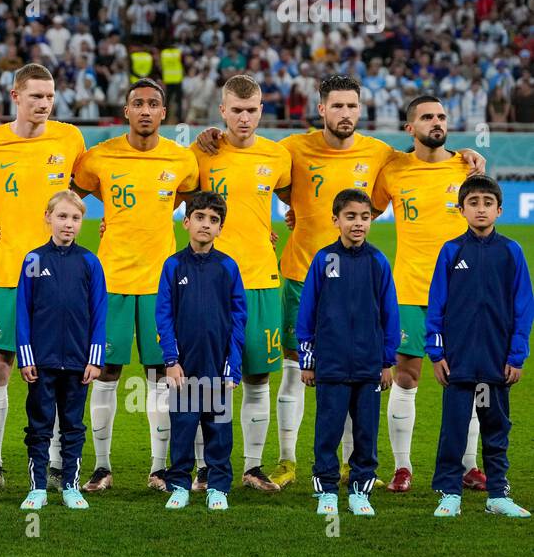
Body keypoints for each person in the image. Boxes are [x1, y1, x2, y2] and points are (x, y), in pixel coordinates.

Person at [197, 74, 483, 488]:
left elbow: (414, 170)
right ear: (322, 109)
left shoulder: (381, 155)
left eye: (352, 106)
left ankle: (351, 463)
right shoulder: (291, 149)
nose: (345, 113)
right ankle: (287, 461)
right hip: (300, 276)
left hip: (356, 282)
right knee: (296, 371)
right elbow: (262, 183)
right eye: (338, 106)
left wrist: (468, 153)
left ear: (359, 110)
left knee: (355, 374)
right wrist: (214, 136)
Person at [0, 63, 87, 493]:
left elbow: (81, 187)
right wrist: (6, 219)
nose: (45, 103)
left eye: (50, 96)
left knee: (55, 368)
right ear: (16, 96)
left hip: (59, 277)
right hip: (10, 271)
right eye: (36, 96)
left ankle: (54, 463)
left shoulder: (69, 138)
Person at [72, 78, 199, 492]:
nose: (146, 110)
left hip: (162, 285)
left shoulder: (182, 160)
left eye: (154, 104)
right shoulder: (100, 157)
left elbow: (193, 204)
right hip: (111, 281)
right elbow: (67, 199)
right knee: (105, 373)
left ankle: (159, 468)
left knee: (160, 375)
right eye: (137, 104)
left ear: (164, 113)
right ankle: (102, 466)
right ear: (125, 111)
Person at [371, 95, 481, 494]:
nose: (436, 122)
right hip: (409, 289)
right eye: (427, 117)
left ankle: (469, 466)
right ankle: (403, 468)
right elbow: (363, 212)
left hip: (461, 293)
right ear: (409, 128)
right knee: (407, 375)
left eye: (441, 116)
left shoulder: (467, 168)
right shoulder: (394, 171)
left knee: (465, 378)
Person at [193, 75, 289, 492]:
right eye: (236, 110)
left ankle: (251, 466)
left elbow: (303, 203)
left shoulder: (279, 157)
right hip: (208, 282)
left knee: (257, 377)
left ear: (261, 111)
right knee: (204, 378)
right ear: (223, 112)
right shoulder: (201, 153)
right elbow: (166, 200)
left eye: (251, 110)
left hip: (262, 279)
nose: (244, 118)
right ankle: (201, 467)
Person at [426, 175, 532, 518]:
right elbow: (436, 304)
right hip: (458, 364)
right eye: (473, 203)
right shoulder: (452, 251)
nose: (481, 209)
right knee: (454, 427)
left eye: (488, 203)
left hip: (493, 363)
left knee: (495, 427)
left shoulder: (510, 252)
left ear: (499, 210)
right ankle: (450, 492)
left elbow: (523, 307)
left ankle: (497, 494)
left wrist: (516, 355)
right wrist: (436, 352)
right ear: (461, 210)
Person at [297, 189, 399, 518]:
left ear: (373, 220)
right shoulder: (324, 259)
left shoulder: (377, 261)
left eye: (364, 217)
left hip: (370, 366)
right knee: (328, 429)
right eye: (350, 217)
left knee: (366, 432)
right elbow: (307, 314)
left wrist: (386, 361)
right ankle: (326, 489)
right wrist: (308, 361)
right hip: (331, 364)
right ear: (336, 220)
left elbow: (390, 315)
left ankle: (359, 490)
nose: (358, 223)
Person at [15, 190, 106, 512]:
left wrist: (95, 359)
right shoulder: (34, 260)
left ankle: (70, 485)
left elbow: (99, 311)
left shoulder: (89, 262)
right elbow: (23, 310)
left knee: (72, 426)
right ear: (48, 218)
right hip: (42, 361)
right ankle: (37, 487)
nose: (69, 224)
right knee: (39, 426)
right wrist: (26, 357)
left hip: (79, 362)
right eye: (63, 217)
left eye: (76, 218)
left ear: (83, 222)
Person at [155, 191, 246, 512]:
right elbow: (163, 314)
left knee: (219, 429)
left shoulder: (228, 267)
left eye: (214, 220)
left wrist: (232, 366)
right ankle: (178, 483)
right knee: (182, 427)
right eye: (200, 218)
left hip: (218, 364)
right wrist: (171, 360)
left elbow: (239, 317)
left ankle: (218, 485)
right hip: (184, 366)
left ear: (220, 228)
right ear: (186, 222)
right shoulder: (173, 265)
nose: (206, 225)